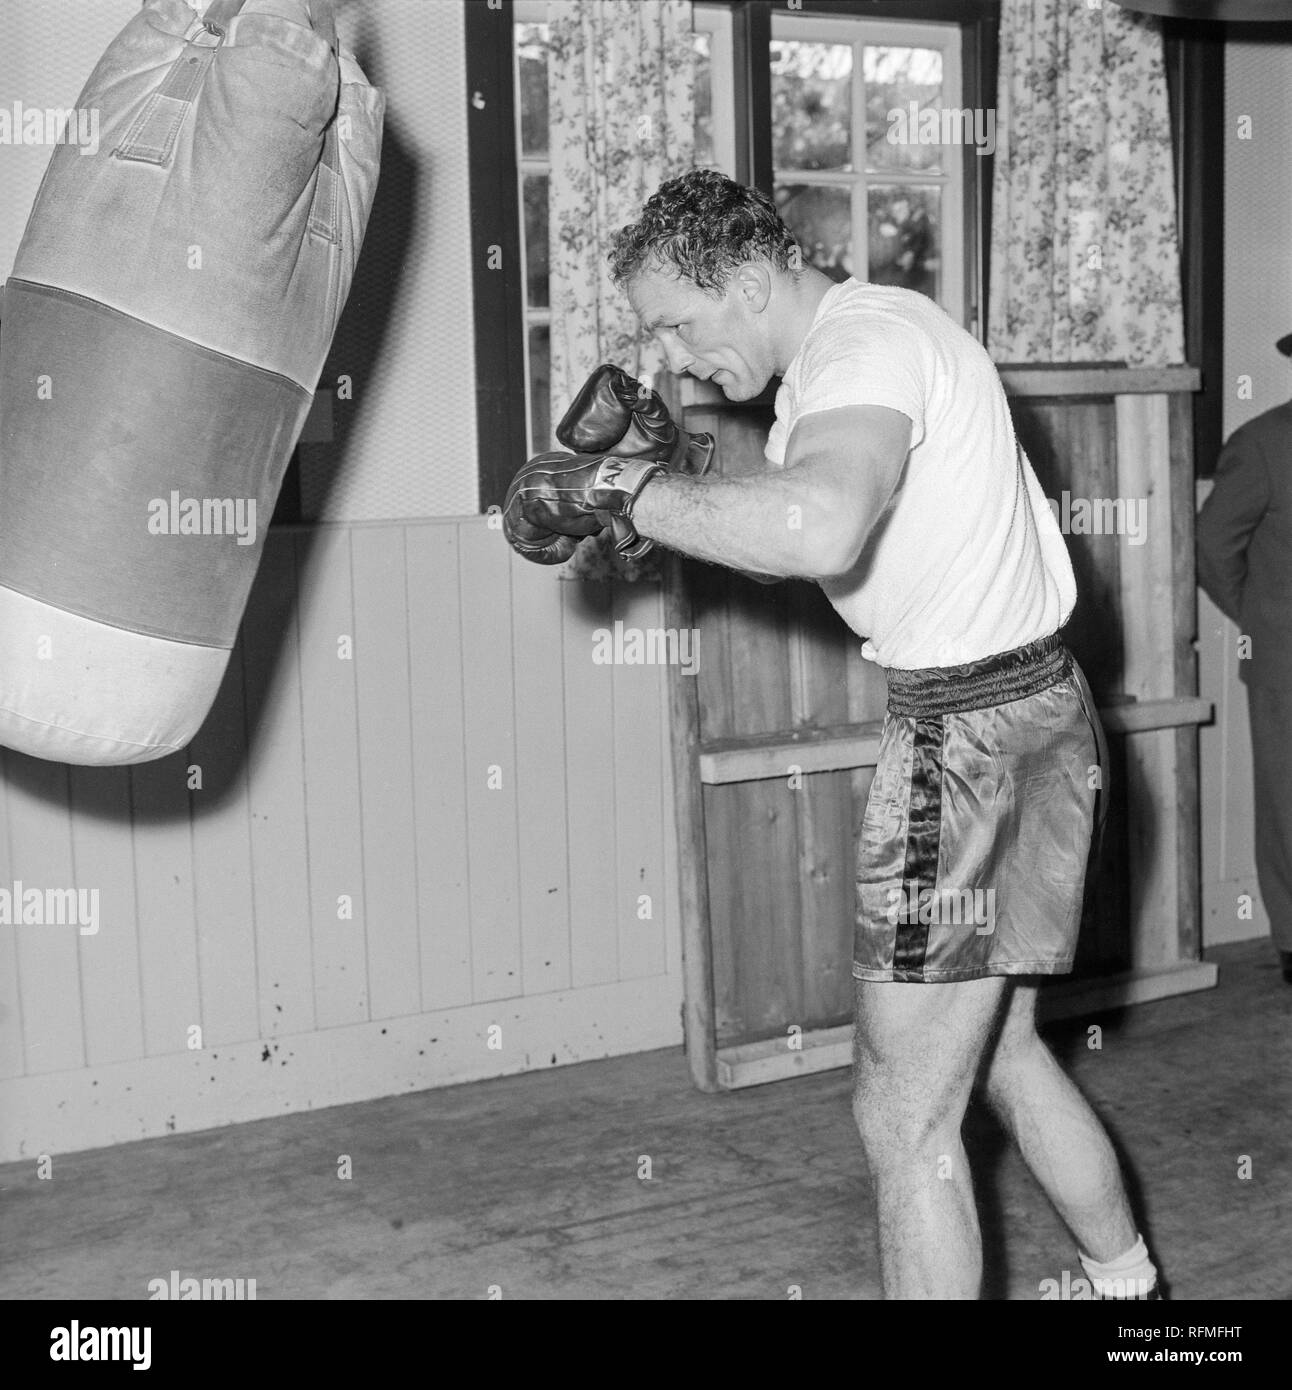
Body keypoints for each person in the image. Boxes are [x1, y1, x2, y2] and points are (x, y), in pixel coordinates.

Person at [503, 169, 1161, 1301]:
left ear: (752, 281)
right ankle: (1132, 1294)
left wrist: (617, 490)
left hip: (970, 747)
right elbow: (818, 509)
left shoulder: (861, 350)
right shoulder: (854, 351)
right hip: (1036, 713)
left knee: (899, 1119)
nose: (666, 358)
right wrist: (668, 491)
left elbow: (817, 524)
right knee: (997, 1054)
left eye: (676, 323)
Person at [1196, 334, 1292, 986]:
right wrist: (1261, 622)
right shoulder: (1262, 443)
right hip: (1286, 663)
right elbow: (1210, 548)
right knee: (1289, 808)